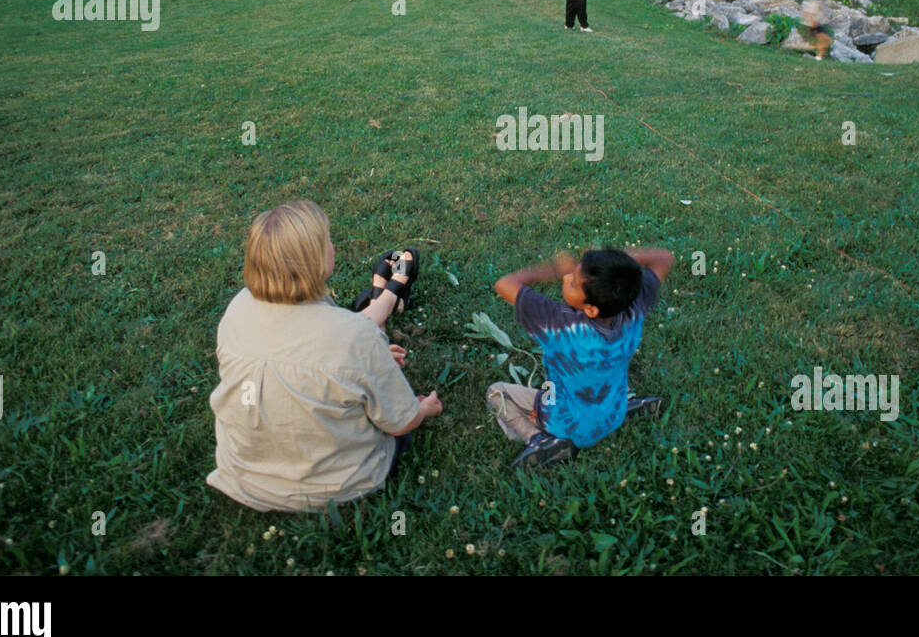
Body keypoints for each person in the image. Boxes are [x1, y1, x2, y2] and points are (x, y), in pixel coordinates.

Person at [206, 200, 442, 512]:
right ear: (315, 259)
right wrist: (424, 409)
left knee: (359, 347)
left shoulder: (239, 307)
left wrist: (366, 356)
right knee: (382, 395)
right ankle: (388, 299)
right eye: (327, 240)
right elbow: (400, 422)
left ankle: (385, 302)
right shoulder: (352, 337)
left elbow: (300, 347)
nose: (333, 245)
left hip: (243, 475)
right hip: (334, 486)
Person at [485, 246, 674, 469]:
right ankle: (626, 404)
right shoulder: (635, 306)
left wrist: (552, 271)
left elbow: (504, 284)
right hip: (614, 413)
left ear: (591, 309)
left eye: (574, 282)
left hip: (564, 424)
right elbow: (664, 258)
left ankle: (538, 439)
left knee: (497, 392)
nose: (567, 277)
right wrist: (611, 267)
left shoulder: (559, 324)